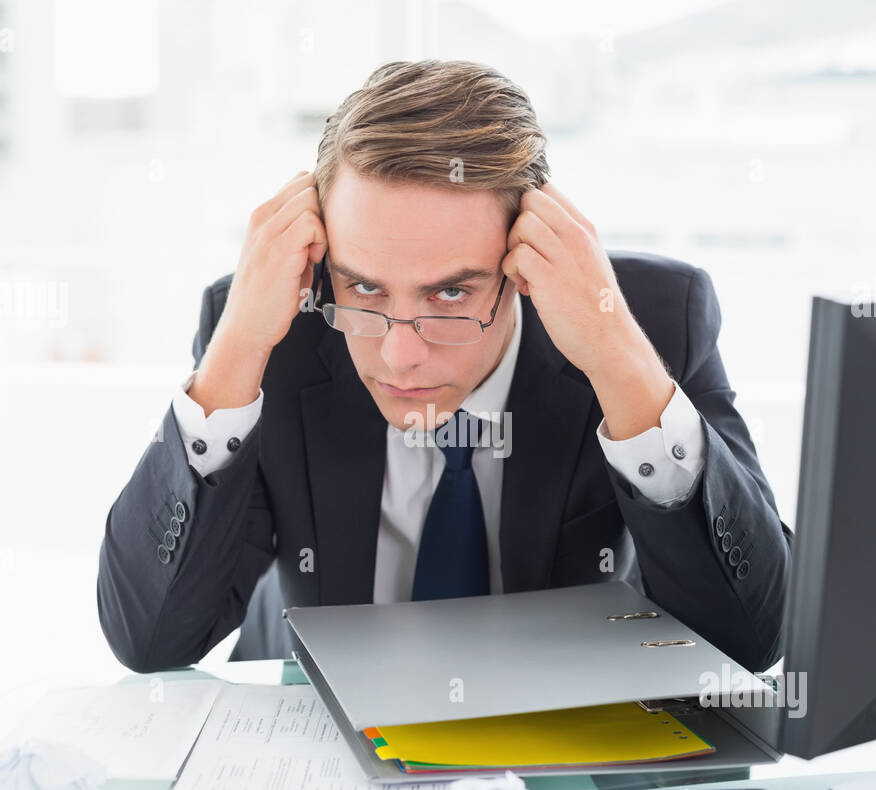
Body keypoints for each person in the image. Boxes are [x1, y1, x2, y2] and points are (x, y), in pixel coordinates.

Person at [97, 59, 791, 674]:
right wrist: (238, 347)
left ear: (524, 261)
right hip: (310, 741)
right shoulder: (268, 326)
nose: (400, 355)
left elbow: (753, 638)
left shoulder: (652, 319)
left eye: (451, 293)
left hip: (553, 752)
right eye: (364, 287)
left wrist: (617, 357)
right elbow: (150, 639)